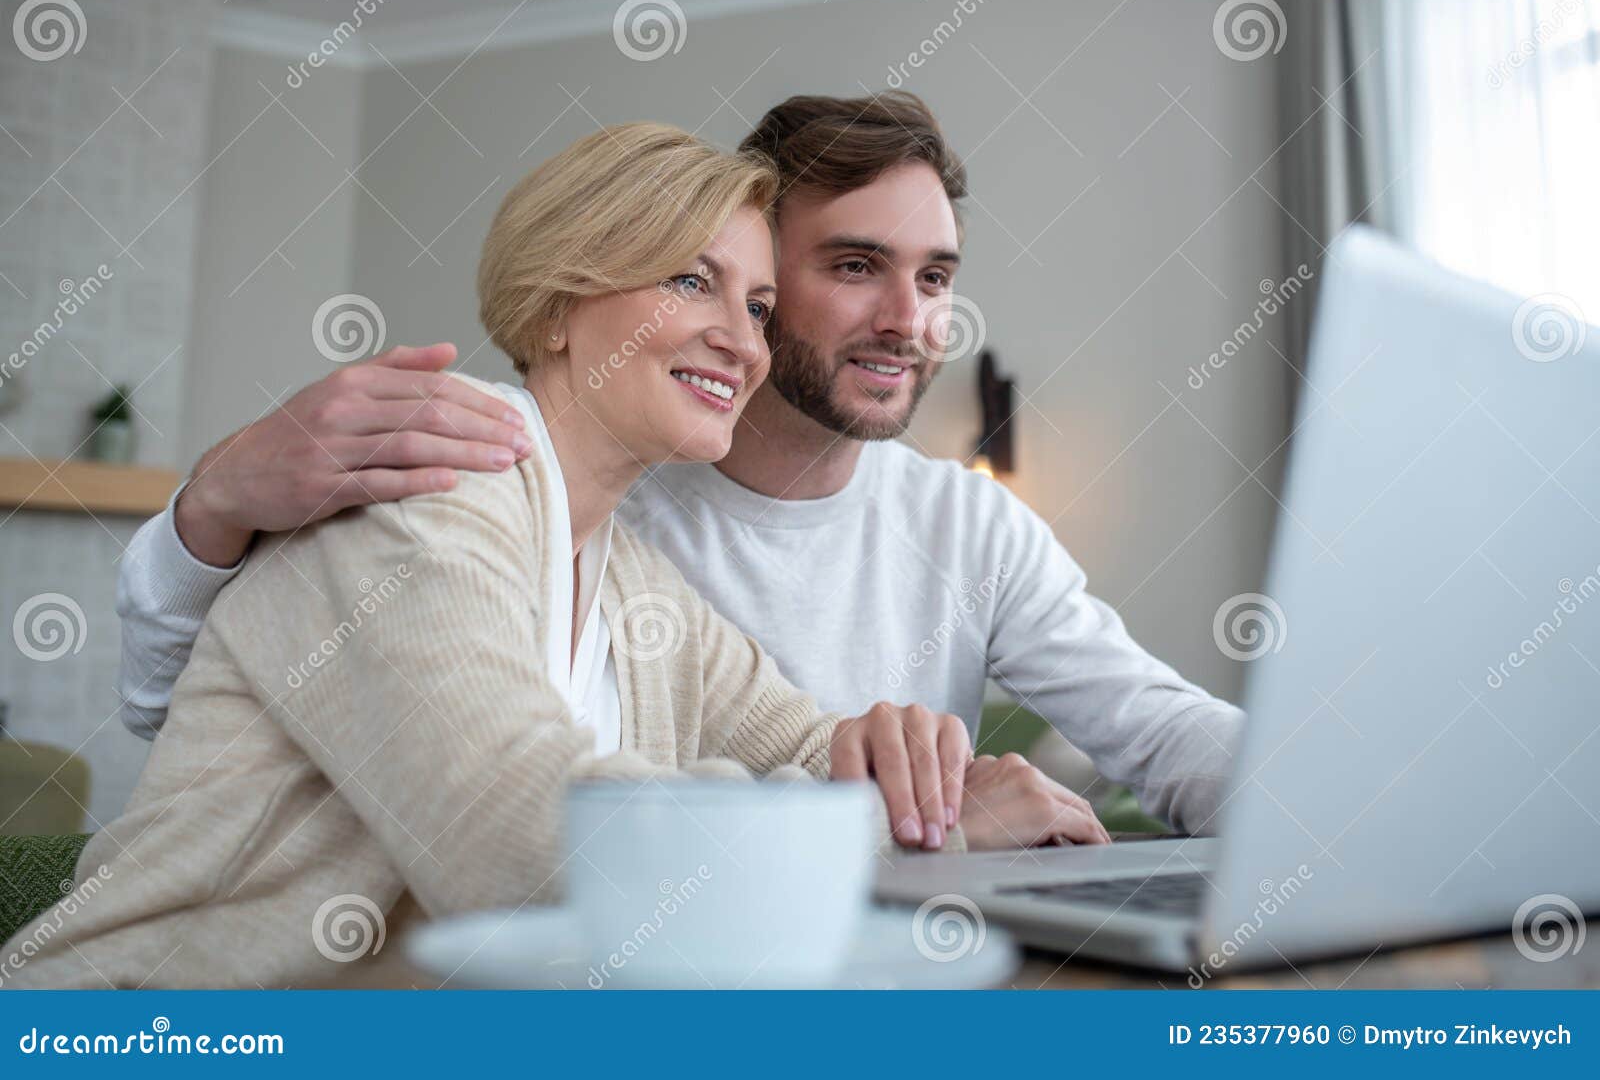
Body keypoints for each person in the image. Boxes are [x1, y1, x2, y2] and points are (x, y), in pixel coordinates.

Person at [6, 123, 1069, 990]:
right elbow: (514, 837)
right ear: (561, 307)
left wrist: (915, 777)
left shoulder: (630, 578)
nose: (745, 342)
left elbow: (806, 744)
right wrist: (901, 823)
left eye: (756, 306)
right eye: (690, 282)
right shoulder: (428, 485)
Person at [119, 90, 1241, 844]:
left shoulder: (630, 560)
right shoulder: (488, 472)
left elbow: (1151, 727)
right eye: (855, 265)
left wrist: (1325, 804)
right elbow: (212, 706)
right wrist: (209, 508)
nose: (909, 320)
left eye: (937, 277)